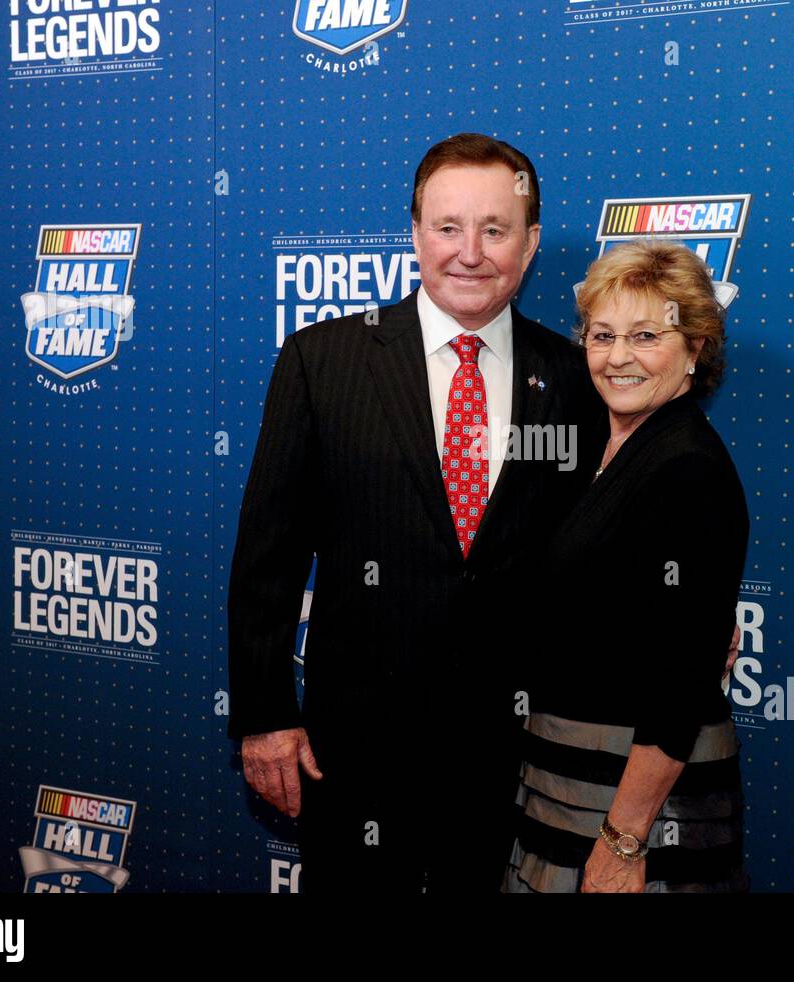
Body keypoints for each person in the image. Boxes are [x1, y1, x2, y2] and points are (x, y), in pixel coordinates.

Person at [226, 132, 605, 893]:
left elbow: (598, 536)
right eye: (448, 227)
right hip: (356, 751)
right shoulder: (323, 361)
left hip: (518, 755)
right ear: (415, 235)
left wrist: (691, 603)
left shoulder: (574, 377)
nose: (470, 252)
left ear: (529, 246)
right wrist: (265, 717)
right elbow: (266, 555)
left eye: (495, 230)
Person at [504, 239, 750, 893]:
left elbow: (682, 682)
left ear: (695, 346)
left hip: (636, 803)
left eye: (646, 336)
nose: (618, 357)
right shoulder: (600, 442)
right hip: (567, 776)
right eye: (602, 335)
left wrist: (623, 841)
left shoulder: (685, 467)